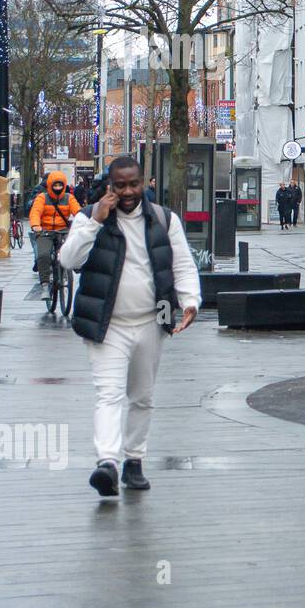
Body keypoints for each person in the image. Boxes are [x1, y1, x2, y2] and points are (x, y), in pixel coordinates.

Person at [59, 156, 201, 496]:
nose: (127, 192)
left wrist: (190, 300)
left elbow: (181, 263)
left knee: (142, 396)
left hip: (152, 321)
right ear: (110, 185)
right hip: (107, 325)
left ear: (143, 182)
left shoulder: (164, 219)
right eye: (120, 185)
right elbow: (69, 259)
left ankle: (134, 461)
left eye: (133, 184)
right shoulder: (90, 217)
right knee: (108, 394)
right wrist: (95, 221)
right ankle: (107, 463)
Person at [29, 171, 82, 285]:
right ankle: (44, 283)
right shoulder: (42, 198)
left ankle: (75, 266)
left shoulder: (69, 198)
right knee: (43, 255)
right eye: (55, 185)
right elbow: (35, 212)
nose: (57, 188)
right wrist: (36, 225)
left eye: (60, 185)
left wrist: (84, 220)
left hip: (63, 230)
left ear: (64, 186)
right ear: (50, 185)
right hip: (45, 231)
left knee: (74, 246)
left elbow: (77, 211)